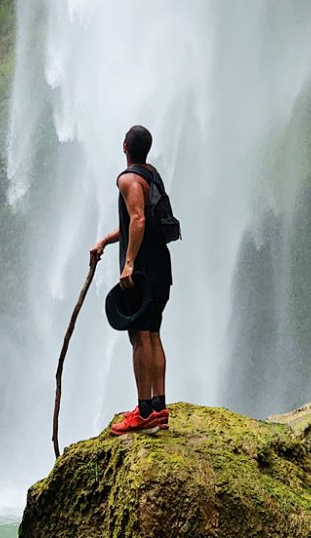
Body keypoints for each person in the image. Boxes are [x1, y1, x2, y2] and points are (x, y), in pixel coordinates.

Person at [89, 123, 173, 435]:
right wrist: (106, 241)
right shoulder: (152, 175)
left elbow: (137, 219)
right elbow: (139, 220)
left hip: (143, 269)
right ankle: (159, 408)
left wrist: (128, 264)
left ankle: (143, 411)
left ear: (125, 146)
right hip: (161, 266)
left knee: (139, 336)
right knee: (152, 333)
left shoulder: (128, 179)